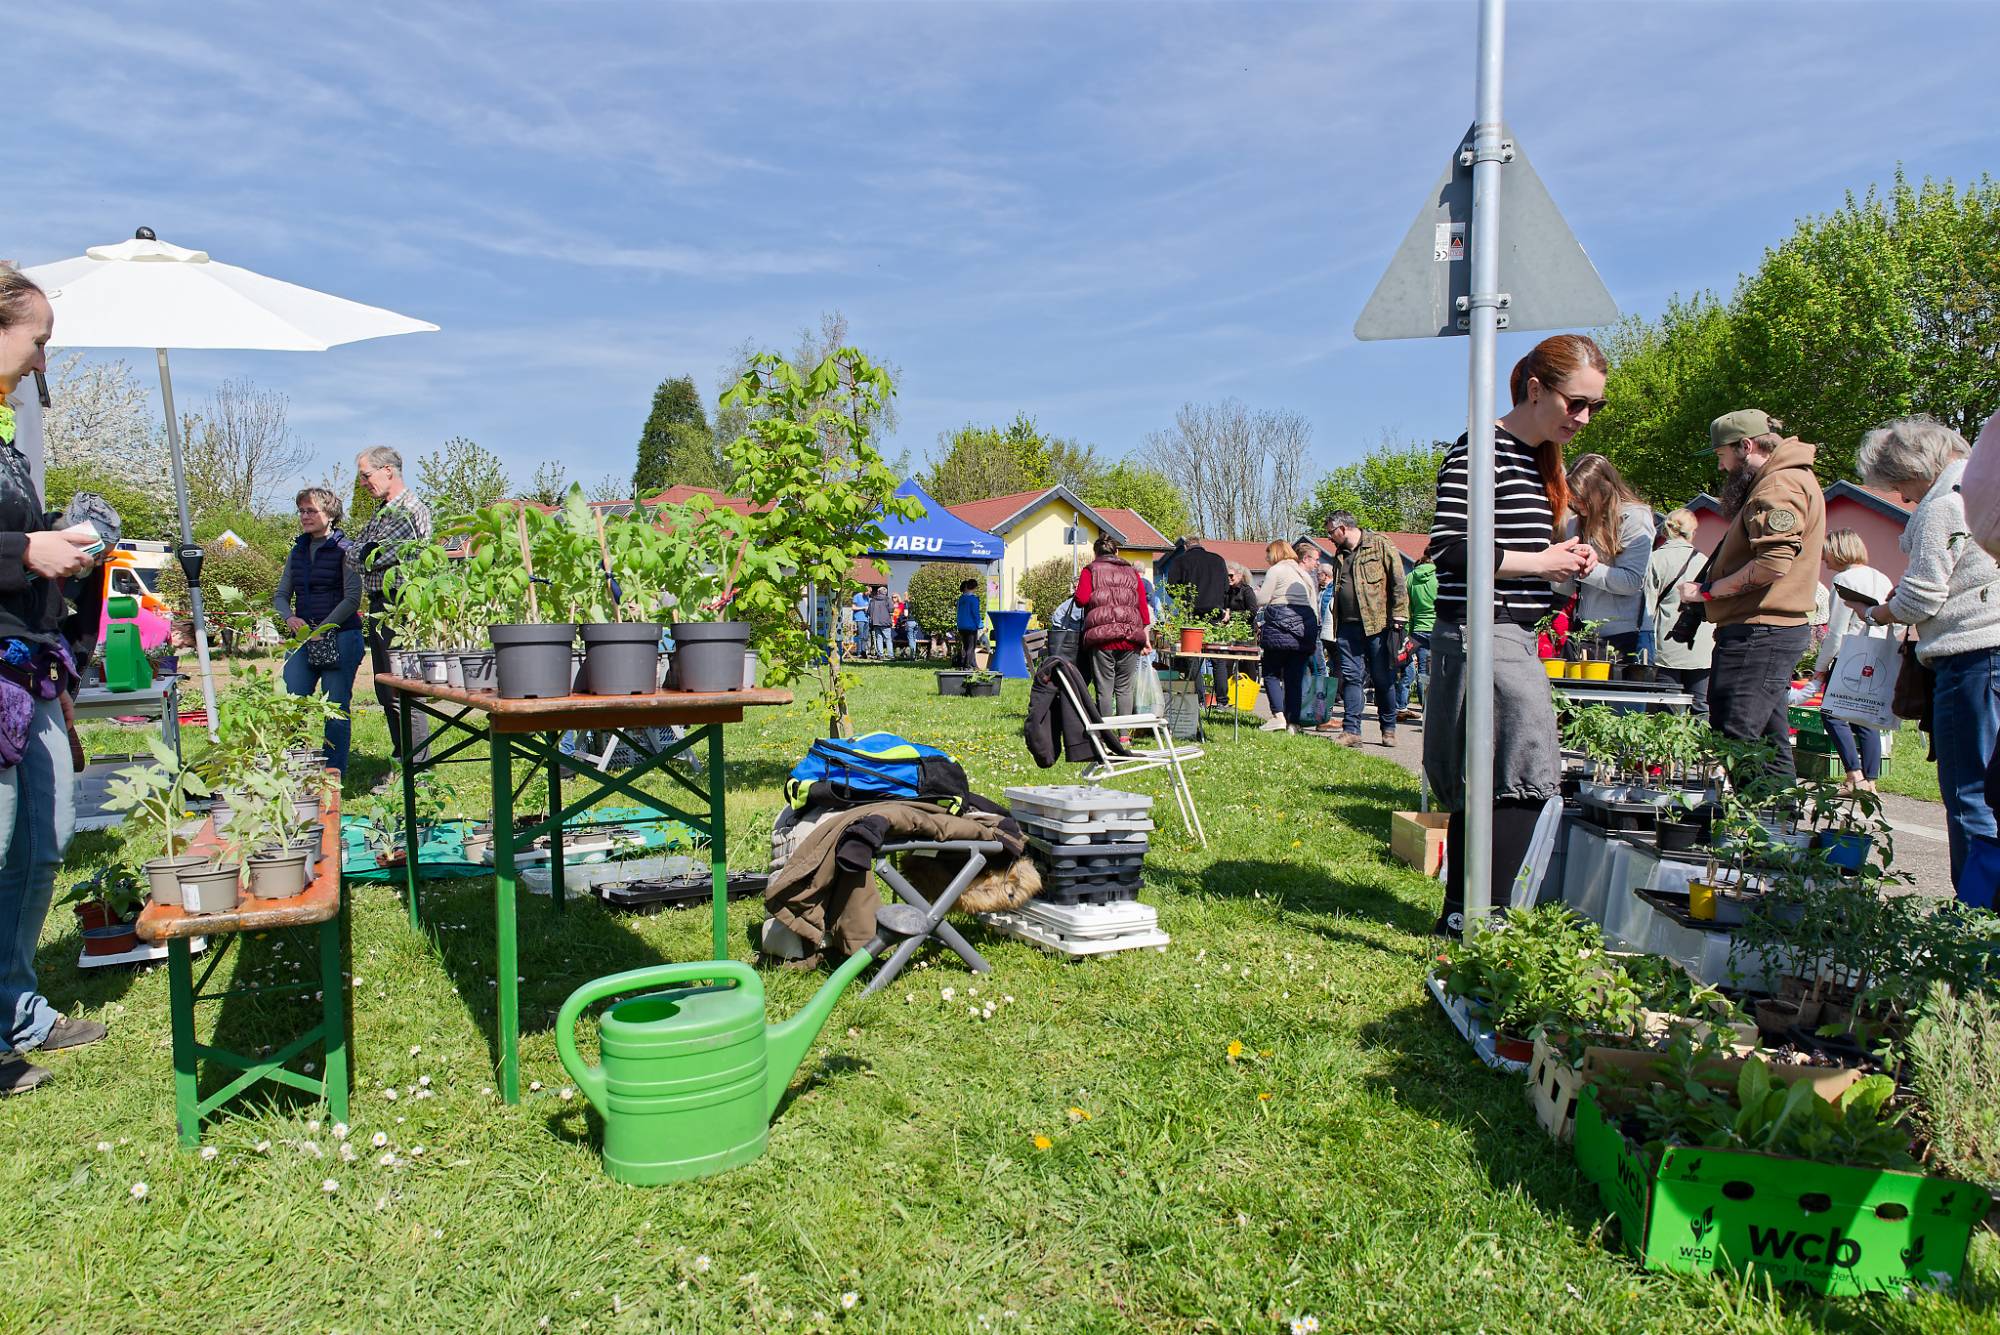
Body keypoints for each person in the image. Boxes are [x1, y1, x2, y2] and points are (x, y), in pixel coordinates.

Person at [1424, 332, 1602, 937]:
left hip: (1510, 632)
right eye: (1575, 403)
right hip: (1482, 632)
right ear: (1534, 389)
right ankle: (1487, 921)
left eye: (1594, 408)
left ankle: (1461, 916)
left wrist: (1559, 563)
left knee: (1494, 784)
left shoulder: (1537, 460)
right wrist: (1541, 563)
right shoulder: (1481, 449)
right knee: (1521, 779)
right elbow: (1448, 547)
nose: (1583, 418)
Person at [0, 270, 112, 1095]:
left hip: (27, 662)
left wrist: (63, 544)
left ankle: (16, 1004)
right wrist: (25, 551)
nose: (43, 360)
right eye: (37, 340)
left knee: (43, 841)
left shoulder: (5, 435)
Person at [1857, 416, 2000, 895]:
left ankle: (1976, 913)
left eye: (1898, 484)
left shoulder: (1943, 503)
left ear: (1915, 468)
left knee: (1970, 792)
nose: (1901, 497)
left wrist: (1882, 612)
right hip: (1990, 651)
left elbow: (1922, 597)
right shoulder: (1974, 489)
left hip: (1972, 656)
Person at [1679, 410, 1826, 778]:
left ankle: (1747, 830)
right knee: (1768, 741)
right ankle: (1776, 826)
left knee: (1735, 738)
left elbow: (1773, 564)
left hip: (1760, 631)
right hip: (1767, 629)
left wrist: (1708, 592)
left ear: (1746, 446)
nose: (1721, 467)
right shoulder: (1787, 479)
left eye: (1721, 455)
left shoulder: (1778, 486)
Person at [350, 446, 434, 763]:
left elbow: (377, 555)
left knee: (403, 688)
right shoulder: (382, 511)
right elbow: (356, 553)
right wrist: (367, 554)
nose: (362, 483)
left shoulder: (410, 509)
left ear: (388, 470)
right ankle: (402, 759)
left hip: (400, 604)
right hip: (379, 604)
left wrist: (367, 554)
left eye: (365, 475)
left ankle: (418, 767)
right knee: (386, 688)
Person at [275, 486, 365, 773]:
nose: (305, 516)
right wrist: (289, 618)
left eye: (311, 510)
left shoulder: (345, 549)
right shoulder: (297, 550)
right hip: (303, 641)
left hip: (342, 637)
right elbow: (280, 595)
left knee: (335, 709)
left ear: (330, 513)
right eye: (301, 510)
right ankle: (293, 769)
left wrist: (325, 628)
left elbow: (353, 598)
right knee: (292, 703)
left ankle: (333, 774)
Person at [1313, 510, 1408, 747]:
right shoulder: (1340, 555)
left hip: (1378, 625)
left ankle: (1388, 728)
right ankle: (1351, 730)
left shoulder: (1380, 544)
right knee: (1352, 678)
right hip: (1347, 627)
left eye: (1330, 533)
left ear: (1343, 529)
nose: (1329, 538)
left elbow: (1398, 581)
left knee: (1382, 677)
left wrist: (1399, 616)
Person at [1815, 528, 1894, 795]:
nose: (1824, 562)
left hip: (1851, 655)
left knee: (1831, 713)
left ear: (1838, 551)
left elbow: (1835, 632)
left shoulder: (1844, 580)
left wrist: (1821, 666)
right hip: (1878, 653)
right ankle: (1870, 780)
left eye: (1826, 555)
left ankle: (1853, 774)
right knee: (1865, 716)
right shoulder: (1881, 577)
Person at [1559, 454, 1653, 661]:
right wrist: (1555, 568)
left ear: (1603, 490)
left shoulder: (1635, 518)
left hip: (1625, 634)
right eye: (1573, 498)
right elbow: (1566, 589)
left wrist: (1584, 567)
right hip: (1582, 633)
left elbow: (1631, 582)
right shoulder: (1576, 523)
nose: (1577, 505)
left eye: (1582, 499)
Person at [1643, 508, 1714, 716]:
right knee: (1700, 706)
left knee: (1668, 706)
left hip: (1668, 643)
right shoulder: (1705, 560)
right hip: (1702, 645)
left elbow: (1648, 606)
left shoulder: (1656, 559)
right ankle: (1701, 747)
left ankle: (1669, 748)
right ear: (1693, 531)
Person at [1074, 536, 1151, 718]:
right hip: (1130, 636)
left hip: (1102, 637)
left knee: (1104, 688)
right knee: (1124, 688)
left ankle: (1106, 735)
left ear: (1095, 553)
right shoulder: (1132, 572)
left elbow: (1081, 599)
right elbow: (1143, 608)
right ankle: (1124, 736)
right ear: (1116, 552)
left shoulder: (1090, 570)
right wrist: (1146, 637)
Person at [1256, 539, 1319, 732]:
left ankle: (1278, 716)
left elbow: (1263, 599)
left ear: (1275, 553)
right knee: (1294, 677)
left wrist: (1256, 594)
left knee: (1271, 672)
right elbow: (1314, 606)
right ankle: (1294, 722)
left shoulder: (1277, 570)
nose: (1267, 559)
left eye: (1268, 555)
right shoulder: (1304, 574)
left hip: (1280, 626)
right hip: (1304, 628)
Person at [1393, 549, 1437, 723]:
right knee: (1438, 671)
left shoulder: (1409, 578)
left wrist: (1408, 631)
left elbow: (1406, 608)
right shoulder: (1440, 576)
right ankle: (1429, 712)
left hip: (1418, 630)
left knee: (1422, 673)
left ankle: (1420, 708)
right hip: (1438, 628)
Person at [953, 577, 982, 668]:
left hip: (961, 626)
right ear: (974, 588)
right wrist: (980, 625)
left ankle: (964, 664)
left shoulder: (960, 599)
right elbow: (975, 614)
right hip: (971, 626)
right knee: (971, 647)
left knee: (965, 646)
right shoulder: (973, 600)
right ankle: (967, 665)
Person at [867, 585, 894, 659]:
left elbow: (869, 611)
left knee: (879, 638)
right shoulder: (888, 599)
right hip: (885, 622)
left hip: (875, 622)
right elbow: (891, 609)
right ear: (885, 593)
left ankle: (880, 655)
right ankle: (890, 655)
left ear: (878, 592)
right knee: (888, 639)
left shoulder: (872, 600)